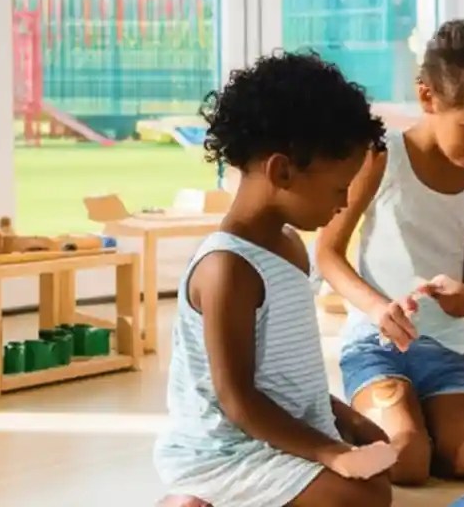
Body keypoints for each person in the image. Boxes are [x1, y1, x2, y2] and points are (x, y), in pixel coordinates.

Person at [153, 52, 396, 507]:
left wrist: (348, 420)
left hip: (277, 434)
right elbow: (237, 398)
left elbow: (284, 378)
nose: (344, 204)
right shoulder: (227, 269)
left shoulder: (288, 246)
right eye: (338, 188)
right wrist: (328, 451)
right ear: (282, 171)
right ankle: (193, 498)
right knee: (359, 498)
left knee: (377, 484)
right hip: (227, 452)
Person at [316, 20, 464, 485]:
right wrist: (375, 308)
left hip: (446, 348)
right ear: (428, 97)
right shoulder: (382, 157)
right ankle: (351, 421)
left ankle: (419, 416)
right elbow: (327, 253)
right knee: (407, 460)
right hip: (377, 345)